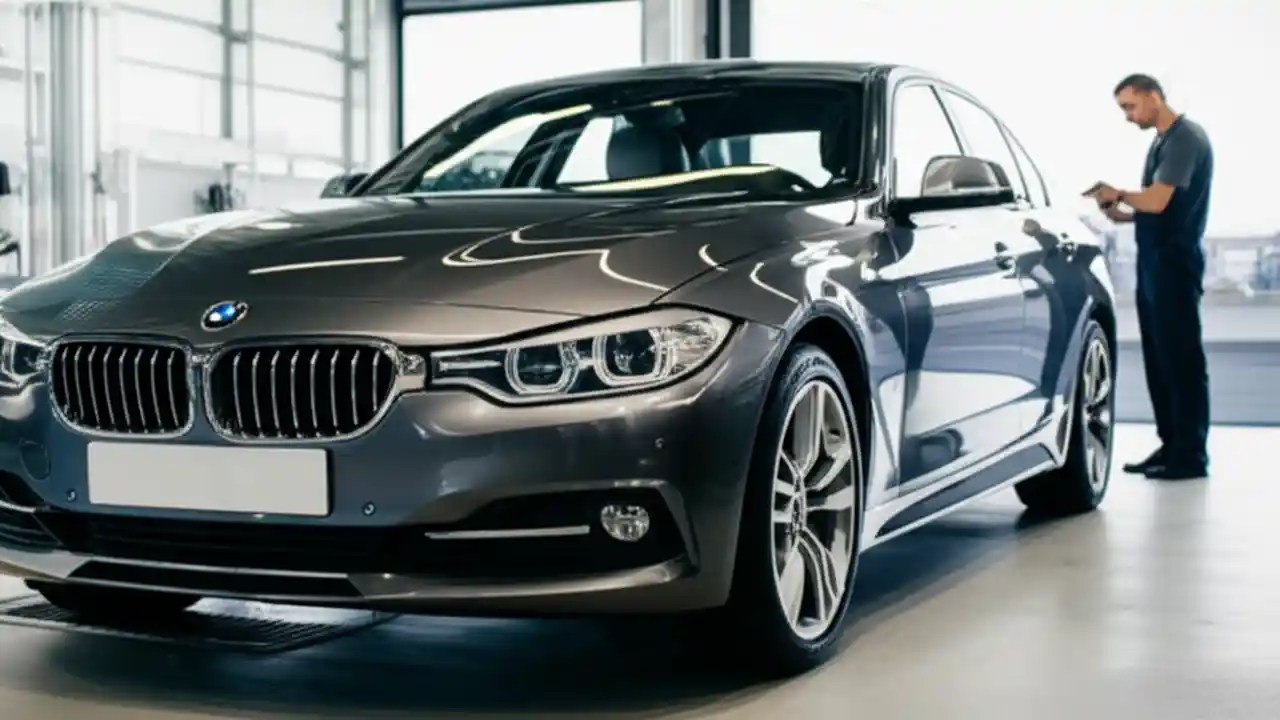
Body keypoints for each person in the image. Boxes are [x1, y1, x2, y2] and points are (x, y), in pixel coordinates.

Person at [1085, 73, 1213, 480]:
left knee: (1182, 359)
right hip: (1154, 263)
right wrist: (1117, 211)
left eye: (1130, 105)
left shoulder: (1184, 139)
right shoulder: (1161, 143)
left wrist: (1119, 192)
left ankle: (1190, 455)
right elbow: (1151, 209)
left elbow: (1158, 200)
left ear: (1154, 97)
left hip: (1174, 264)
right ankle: (1171, 445)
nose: (1127, 115)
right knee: (1160, 359)